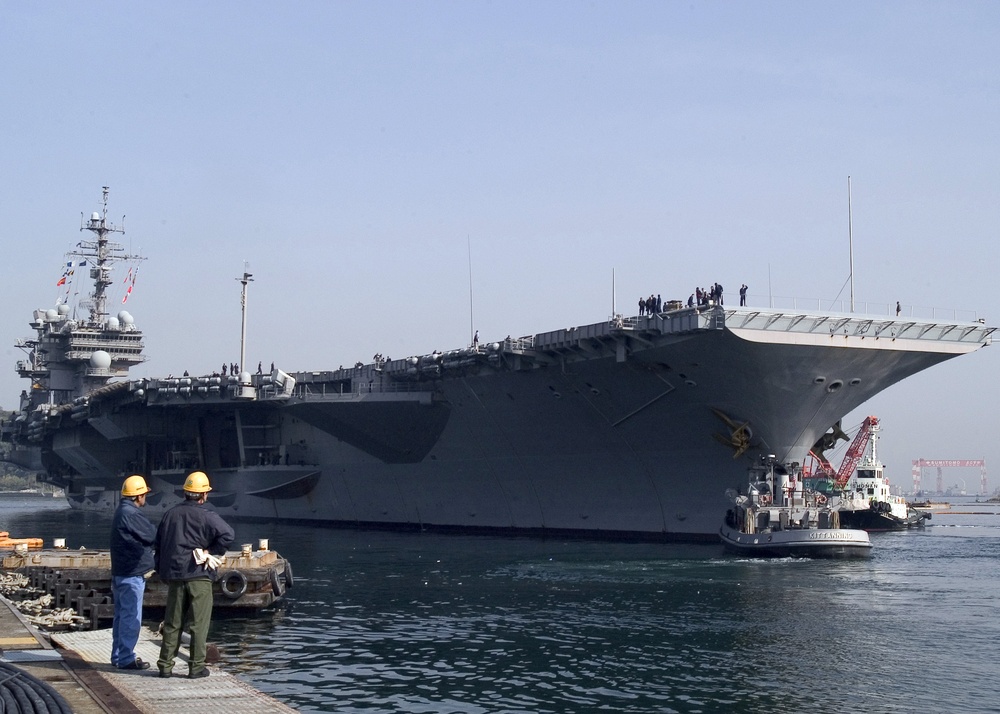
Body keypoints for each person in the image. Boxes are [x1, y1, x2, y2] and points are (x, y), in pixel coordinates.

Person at [155, 470, 234, 679]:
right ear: (204, 495)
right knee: (199, 624)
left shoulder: (170, 514)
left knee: (173, 622)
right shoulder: (208, 515)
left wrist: (162, 572)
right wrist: (211, 551)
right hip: (199, 575)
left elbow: (159, 546)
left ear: (185, 492)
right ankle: (196, 667)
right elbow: (228, 535)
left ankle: (165, 666)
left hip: (175, 575)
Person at [110, 475, 156, 670]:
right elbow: (152, 535)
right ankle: (126, 658)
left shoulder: (121, 511)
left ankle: (119, 656)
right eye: (144, 493)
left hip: (120, 573)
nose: (145, 497)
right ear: (138, 496)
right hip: (131, 575)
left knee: (121, 617)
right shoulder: (132, 514)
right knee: (131, 618)